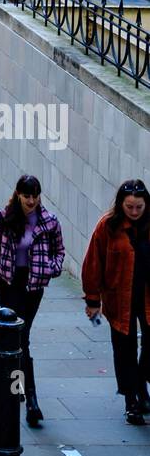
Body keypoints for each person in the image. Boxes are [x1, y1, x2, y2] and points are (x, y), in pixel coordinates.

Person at [0, 175, 65, 427]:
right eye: (26, 196)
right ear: (18, 195)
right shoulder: (2, 220)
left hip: (33, 285)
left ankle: (21, 387)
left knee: (23, 336)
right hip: (9, 283)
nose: (31, 201)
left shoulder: (49, 222)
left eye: (35, 196)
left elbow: (59, 251)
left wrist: (51, 268)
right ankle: (30, 399)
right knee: (18, 337)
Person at [82, 179, 150, 425]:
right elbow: (93, 262)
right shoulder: (108, 226)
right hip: (118, 297)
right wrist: (92, 300)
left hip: (146, 295)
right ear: (121, 204)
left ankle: (141, 382)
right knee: (124, 349)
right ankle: (131, 400)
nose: (134, 212)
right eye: (129, 207)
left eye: (138, 207)